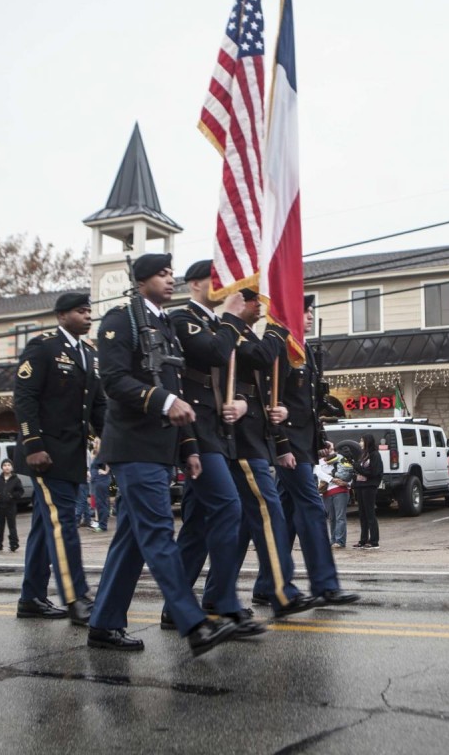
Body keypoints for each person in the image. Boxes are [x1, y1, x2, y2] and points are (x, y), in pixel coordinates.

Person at [87, 253, 236, 655]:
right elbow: (114, 380)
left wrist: (188, 446)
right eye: (161, 274)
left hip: (160, 447)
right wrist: (163, 400)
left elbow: (178, 390)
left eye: (171, 273)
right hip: (134, 445)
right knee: (157, 534)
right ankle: (194, 624)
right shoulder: (122, 320)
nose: (170, 279)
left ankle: (103, 623)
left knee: (132, 542)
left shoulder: (165, 326)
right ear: (140, 280)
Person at [161, 259, 260, 636]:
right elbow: (214, 354)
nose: (225, 290)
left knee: (199, 524)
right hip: (196, 429)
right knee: (228, 507)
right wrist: (234, 318)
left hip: (218, 429)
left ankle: (177, 607)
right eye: (217, 282)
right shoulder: (184, 319)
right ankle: (224, 603)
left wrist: (245, 403)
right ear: (197, 284)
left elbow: (241, 374)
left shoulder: (218, 325)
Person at [14, 291, 107, 626]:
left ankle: (31, 598)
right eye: (81, 311)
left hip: (72, 453)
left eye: (89, 311)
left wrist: (109, 443)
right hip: (46, 454)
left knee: (45, 525)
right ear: (62, 314)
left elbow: (98, 406)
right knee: (63, 521)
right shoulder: (44, 346)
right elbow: (24, 396)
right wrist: (33, 443)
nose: (88, 316)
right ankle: (76, 596)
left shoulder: (89, 354)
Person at [270, 293, 359, 607]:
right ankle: (324, 584)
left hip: (304, 446)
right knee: (311, 509)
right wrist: (282, 446)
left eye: (310, 311)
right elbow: (274, 403)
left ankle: (268, 584)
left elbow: (309, 405)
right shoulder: (282, 347)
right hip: (289, 448)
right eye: (303, 311)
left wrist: (320, 440)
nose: (309, 315)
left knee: (287, 515)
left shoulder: (304, 348)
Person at [352, 433, 382, 549]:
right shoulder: (363, 455)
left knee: (370, 514)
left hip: (369, 486)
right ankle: (363, 540)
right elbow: (359, 470)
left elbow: (373, 472)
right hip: (360, 486)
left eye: (362, 441)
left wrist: (358, 467)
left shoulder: (375, 455)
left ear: (368, 442)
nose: (360, 443)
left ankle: (374, 540)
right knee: (362, 514)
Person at [0, 459, 25, 553]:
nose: (7, 467)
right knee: (0, 527)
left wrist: (12, 496)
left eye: (9, 465)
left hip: (10, 506)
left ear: (12, 467)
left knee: (12, 526)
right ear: (2, 467)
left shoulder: (16, 479)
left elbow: (20, 491)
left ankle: (14, 544)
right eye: (4, 465)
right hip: (0, 505)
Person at [321, 443, 351, 548]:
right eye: (330, 449)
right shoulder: (320, 461)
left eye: (333, 449)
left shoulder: (340, 459)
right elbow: (319, 474)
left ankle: (340, 541)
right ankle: (333, 540)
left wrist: (347, 483)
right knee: (332, 518)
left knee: (340, 517)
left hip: (340, 491)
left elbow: (348, 472)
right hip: (326, 492)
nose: (332, 451)